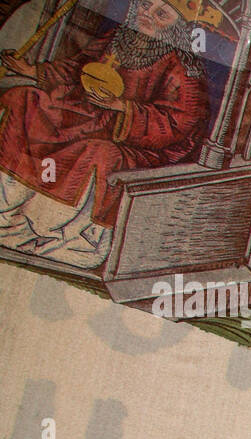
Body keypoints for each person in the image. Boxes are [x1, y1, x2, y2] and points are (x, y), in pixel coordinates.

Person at [0, 0, 220, 268]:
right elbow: (77, 68)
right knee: (24, 99)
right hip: (91, 118)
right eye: (145, 5)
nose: (147, 15)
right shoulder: (119, 38)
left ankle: (56, 232)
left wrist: (122, 107)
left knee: (99, 154)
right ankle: (7, 208)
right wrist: (33, 71)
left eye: (161, 13)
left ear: (178, 25)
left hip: (141, 147)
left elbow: (176, 125)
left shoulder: (184, 70)